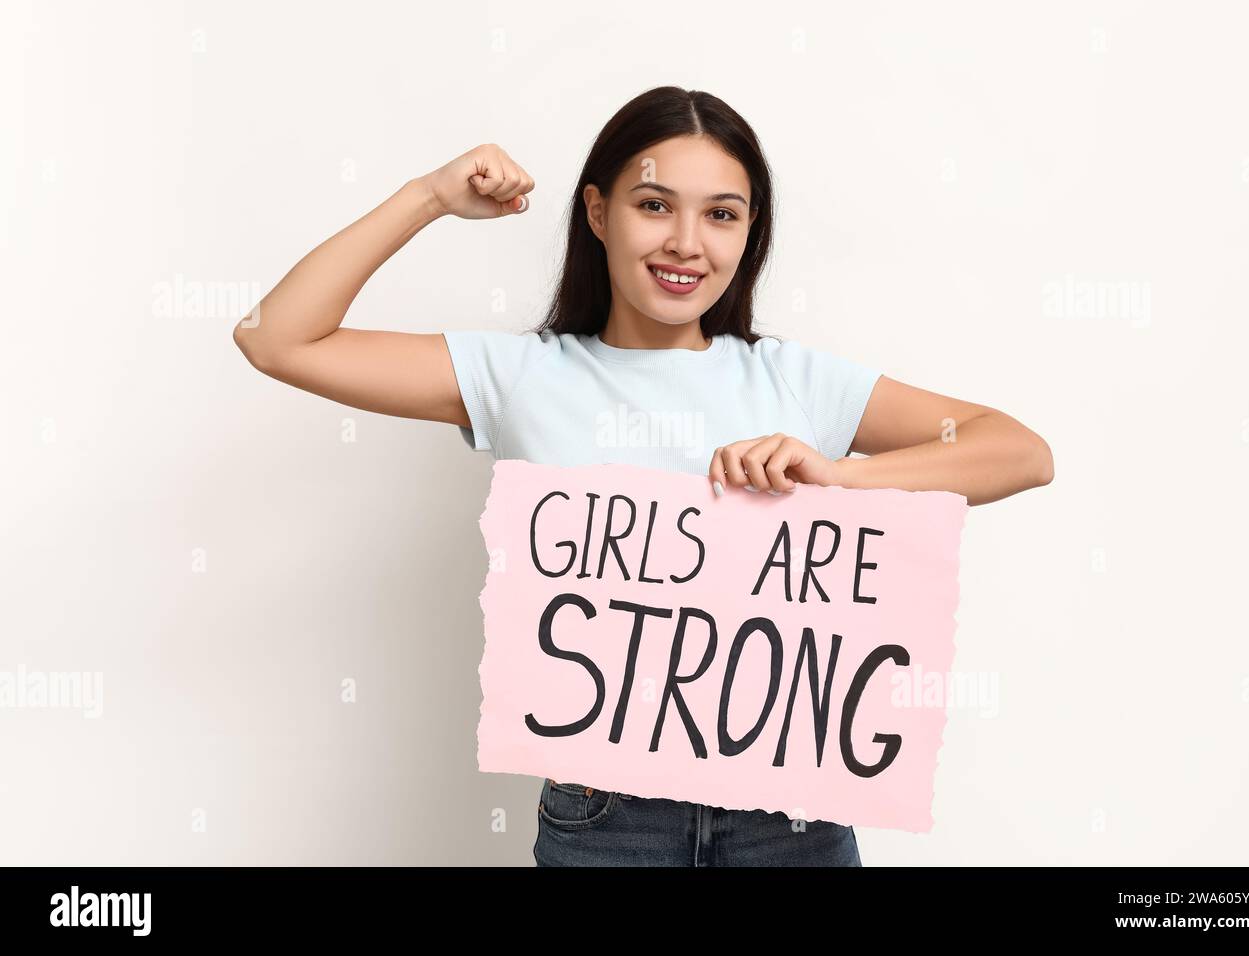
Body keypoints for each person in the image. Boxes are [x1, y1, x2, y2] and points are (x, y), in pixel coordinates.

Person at [232, 85, 1053, 866]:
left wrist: (838, 482)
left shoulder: (794, 382)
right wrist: (429, 196)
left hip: (791, 814)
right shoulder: (519, 374)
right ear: (597, 211)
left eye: (721, 215)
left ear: (748, 231)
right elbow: (277, 339)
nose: (686, 244)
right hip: (605, 815)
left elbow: (1020, 449)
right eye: (654, 205)